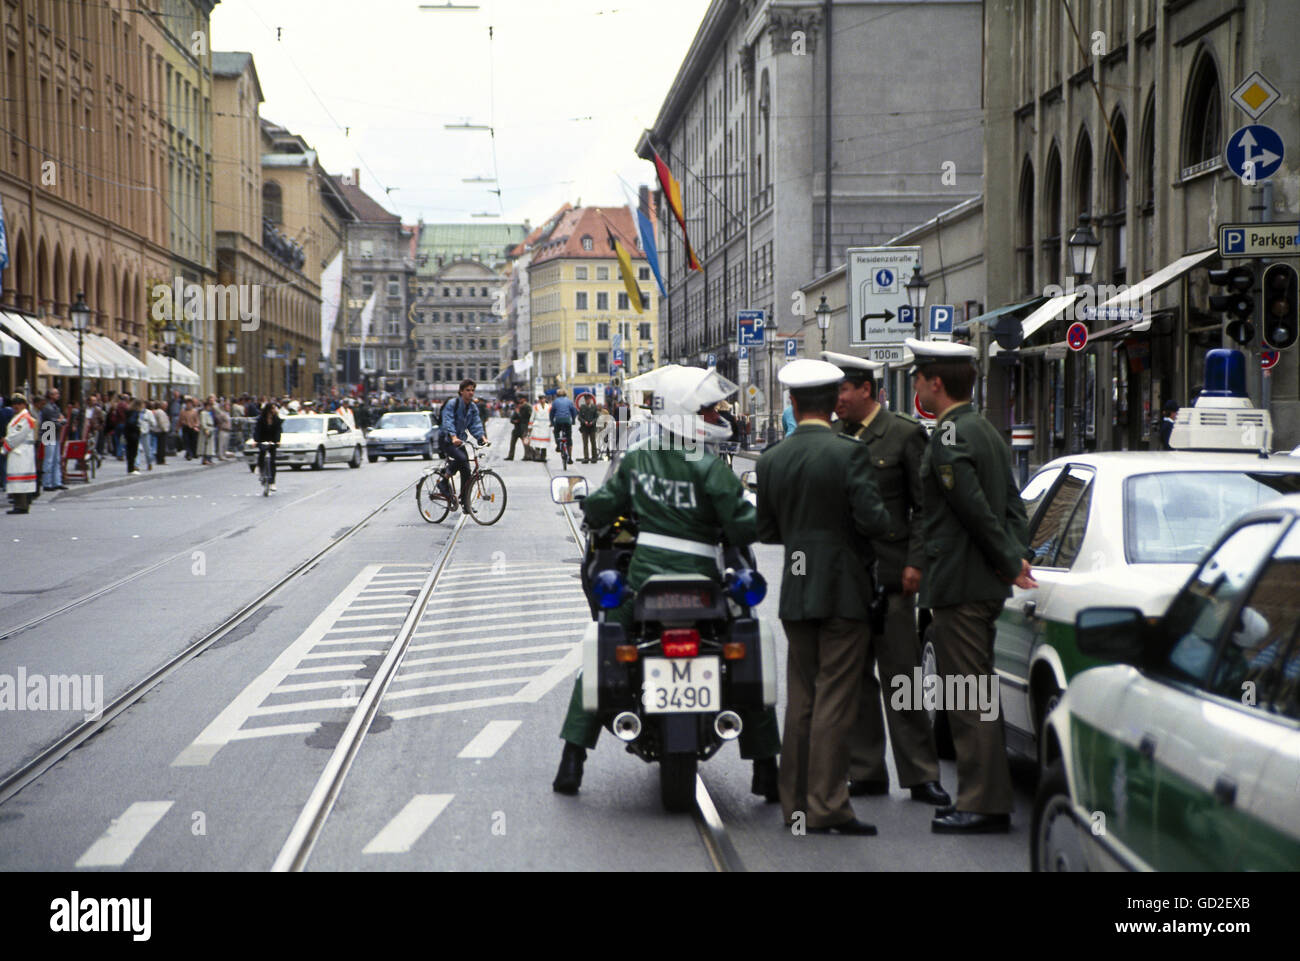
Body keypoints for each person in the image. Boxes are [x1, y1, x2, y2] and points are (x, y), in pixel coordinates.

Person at [553, 366, 782, 799]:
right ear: (683, 412)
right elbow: (740, 526)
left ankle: (572, 761)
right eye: (708, 409)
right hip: (704, 586)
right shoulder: (708, 464)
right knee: (747, 645)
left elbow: (602, 507)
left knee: (605, 644)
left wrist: (596, 512)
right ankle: (766, 768)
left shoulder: (638, 458)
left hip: (644, 583)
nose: (717, 415)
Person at [756, 359, 895, 836]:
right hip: (842, 590)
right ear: (833, 403)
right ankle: (828, 805)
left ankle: (794, 804)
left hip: (798, 592)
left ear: (793, 404)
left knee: (802, 701)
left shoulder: (772, 458)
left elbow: (767, 529)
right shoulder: (849, 452)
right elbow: (875, 522)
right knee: (836, 699)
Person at [904, 338, 1036, 835]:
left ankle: (982, 802)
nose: (915, 383)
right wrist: (1016, 555)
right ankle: (989, 797)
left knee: (967, 698)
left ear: (936, 382)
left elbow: (975, 510)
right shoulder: (985, 431)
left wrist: (1010, 561)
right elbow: (1013, 507)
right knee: (977, 693)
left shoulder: (950, 437)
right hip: (980, 582)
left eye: (918, 376)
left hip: (960, 584)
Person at [822, 351, 949, 808]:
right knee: (855, 680)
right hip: (847, 579)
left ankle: (920, 774)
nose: (836, 400)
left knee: (903, 678)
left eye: (842, 391)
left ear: (866, 391)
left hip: (893, 575)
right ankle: (866, 770)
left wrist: (916, 562)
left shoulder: (901, 434)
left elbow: (925, 507)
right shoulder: (833, 437)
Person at [439, 379, 488, 513]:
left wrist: (481, 437)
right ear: (461, 391)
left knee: (466, 470)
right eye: (468, 390)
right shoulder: (452, 404)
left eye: (472, 390)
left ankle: (465, 503)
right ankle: (443, 481)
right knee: (461, 459)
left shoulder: (472, 407)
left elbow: (475, 424)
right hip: (446, 439)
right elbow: (447, 420)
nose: (471, 393)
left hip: (459, 440)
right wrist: (453, 436)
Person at [4, 394, 38, 513]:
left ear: (24, 404)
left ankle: (22, 505)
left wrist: (5, 447)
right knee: (17, 478)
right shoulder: (18, 416)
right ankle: (19, 504)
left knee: (20, 479)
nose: (16, 406)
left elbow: (16, 436)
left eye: (19, 403)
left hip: (21, 451)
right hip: (19, 450)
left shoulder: (24, 418)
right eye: (14, 404)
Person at [39, 389, 67, 491]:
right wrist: (60, 421)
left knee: (56, 459)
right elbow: (56, 422)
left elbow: (62, 419)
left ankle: (56, 481)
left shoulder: (55, 407)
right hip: (49, 433)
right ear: (50, 395)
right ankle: (47, 483)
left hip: (55, 434)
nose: (58, 395)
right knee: (49, 460)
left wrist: (61, 420)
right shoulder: (48, 408)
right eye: (56, 393)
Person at [254, 402, 282, 491]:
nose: (274, 410)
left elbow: (278, 431)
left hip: (272, 440)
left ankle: (272, 482)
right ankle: (259, 466)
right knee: (262, 452)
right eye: (273, 408)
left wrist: (277, 441)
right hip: (263, 439)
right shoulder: (261, 419)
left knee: (272, 462)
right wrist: (256, 440)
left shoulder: (276, 419)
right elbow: (257, 430)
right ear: (269, 409)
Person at [549, 387, 578, 463]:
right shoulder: (569, 401)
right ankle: (570, 458)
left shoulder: (555, 402)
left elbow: (552, 412)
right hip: (567, 420)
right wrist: (573, 420)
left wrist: (552, 422)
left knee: (556, 432)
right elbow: (574, 411)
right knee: (569, 438)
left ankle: (558, 444)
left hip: (558, 420)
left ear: (557, 395)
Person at [576, 392, 599, 463]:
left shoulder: (594, 407)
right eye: (586, 400)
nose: (587, 401)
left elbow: (597, 417)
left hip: (592, 427)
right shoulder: (582, 407)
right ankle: (586, 458)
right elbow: (579, 417)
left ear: (591, 399)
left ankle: (594, 457)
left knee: (593, 443)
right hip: (584, 428)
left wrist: (593, 422)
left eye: (588, 399)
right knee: (585, 443)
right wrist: (584, 422)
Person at [138, 400, 157, 471]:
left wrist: (148, 423)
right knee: (137, 449)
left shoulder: (148, 412)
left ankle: (149, 463)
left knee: (147, 449)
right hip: (137, 432)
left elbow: (153, 423)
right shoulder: (136, 412)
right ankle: (136, 464)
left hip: (146, 433)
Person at [199, 398, 217, 465]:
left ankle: (209, 459)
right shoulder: (203, 413)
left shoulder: (209, 413)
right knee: (206, 446)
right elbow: (203, 422)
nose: (210, 407)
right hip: (207, 429)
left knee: (210, 446)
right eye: (209, 406)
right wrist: (206, 429)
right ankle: (205, 459)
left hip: (210, 428)